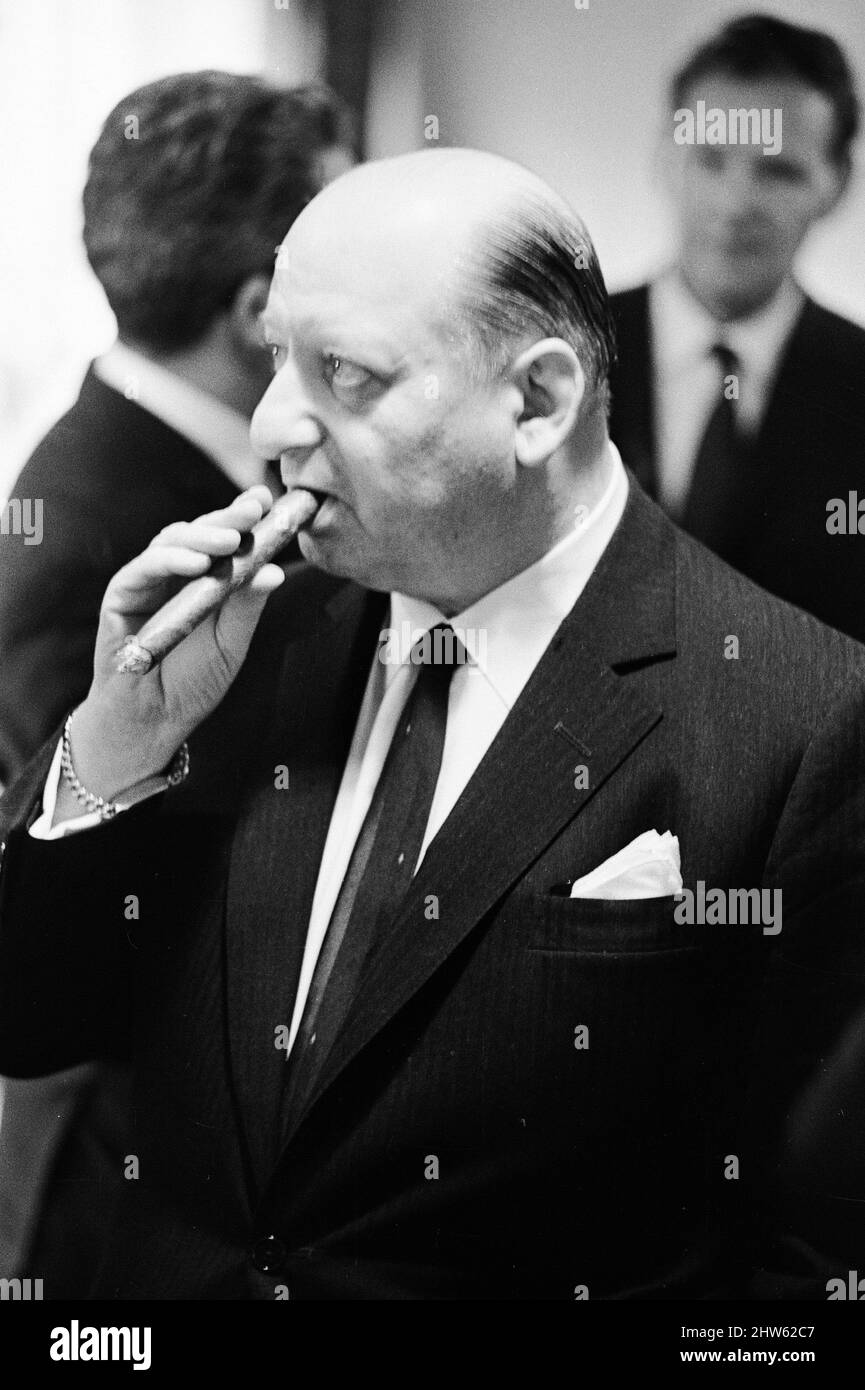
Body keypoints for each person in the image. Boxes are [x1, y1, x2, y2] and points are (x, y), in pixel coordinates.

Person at [1, 148, 864, 1300]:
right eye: (274, 360)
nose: (271, 422)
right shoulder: (235, 637)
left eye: (344, 374)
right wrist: (115, 744)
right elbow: (31, 1019)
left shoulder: (805, 717)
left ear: (538, 400)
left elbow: (806, 1249)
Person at [0, 70, 352, 1296]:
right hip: (131, 1186)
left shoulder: (199, 472)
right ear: (260, 305)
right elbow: (54, 930)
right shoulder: (84, 527)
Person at [609, 13, 865, 642]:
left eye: (778, 172)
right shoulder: (561, 354)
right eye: (711, 159)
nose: (735, 203)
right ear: (665, 160)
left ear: (837, 185)